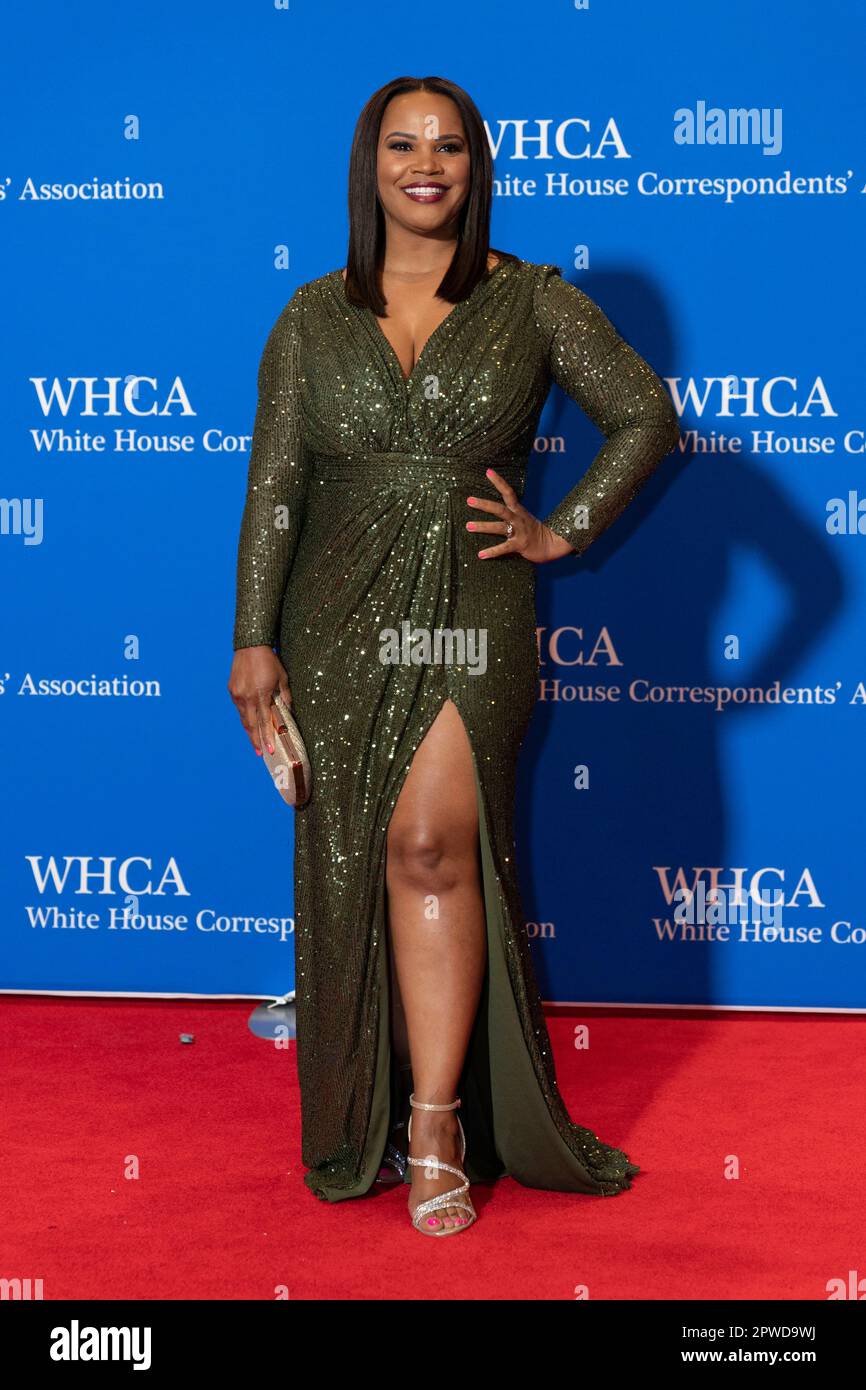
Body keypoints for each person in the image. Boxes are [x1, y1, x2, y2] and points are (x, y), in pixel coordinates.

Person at [229, 75, 680, 1238]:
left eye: (449, 146)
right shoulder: (310, 314)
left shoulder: (528, 300)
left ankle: (434, 1120)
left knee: (430, 844)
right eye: (401, 143)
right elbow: (276, 488)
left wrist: (560, 527)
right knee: (362, 855)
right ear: (366, 163)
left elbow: (642, 413)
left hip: (465, 613)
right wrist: (252, 640)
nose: (424, 164)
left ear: (477, 167)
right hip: (334, 620)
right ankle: (370, 1093)